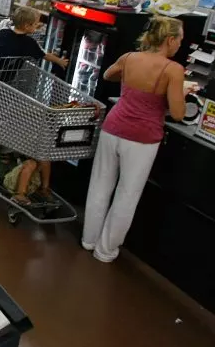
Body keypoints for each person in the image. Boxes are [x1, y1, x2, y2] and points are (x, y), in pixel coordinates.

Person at [82, 17, 191, 263]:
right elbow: (177, 113)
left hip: (113, 127)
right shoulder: (173, 70)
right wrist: (180, 92)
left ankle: (88, 240)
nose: (180, 45)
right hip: (143, 138)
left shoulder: (129, 58)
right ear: (170, 40)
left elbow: (109, 75)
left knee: (99, 186)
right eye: (180, 40)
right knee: (126, 195)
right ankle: (105, 251)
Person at [0, 6, 70, 205]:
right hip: (6, 87)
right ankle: (39, 188)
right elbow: (44, 56)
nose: (38, 27)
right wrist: (60, 61)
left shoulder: (3, 33)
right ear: (27, 26)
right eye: (35, 24)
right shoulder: (27, 42)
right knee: (33, 131)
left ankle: (35, 183)